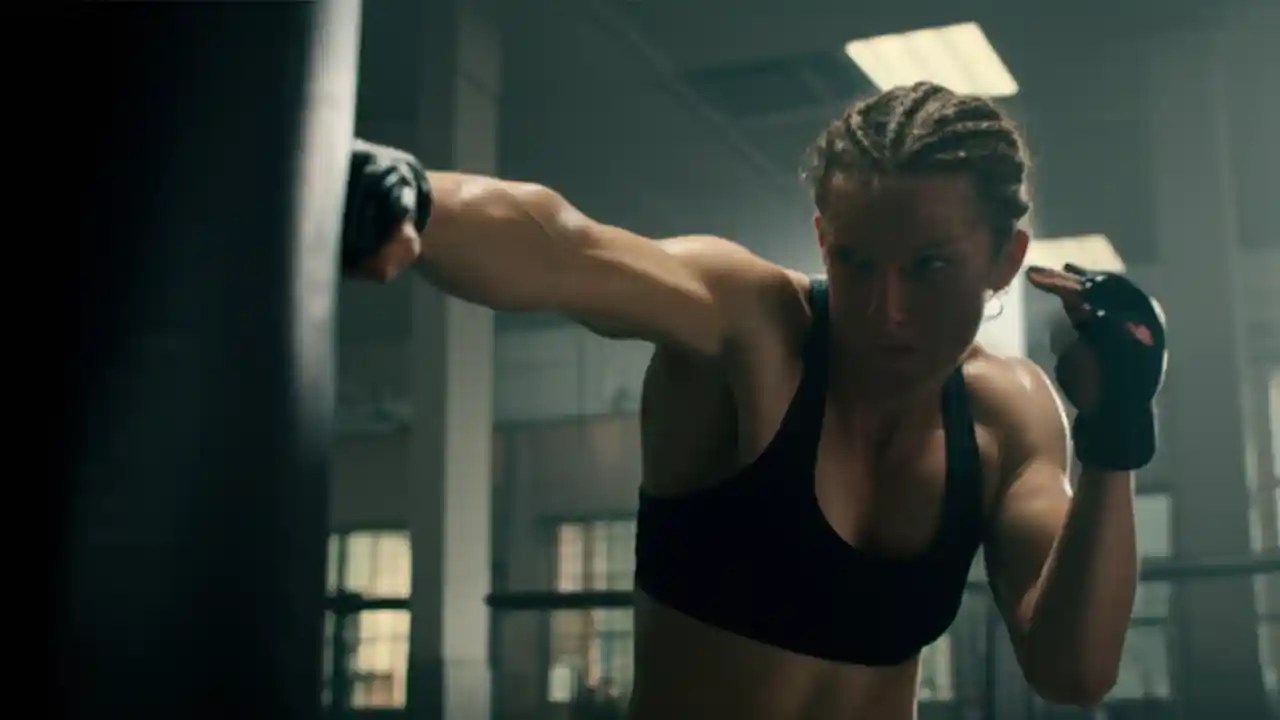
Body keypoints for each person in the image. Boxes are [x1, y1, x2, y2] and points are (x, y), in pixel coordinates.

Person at [342, 81, 1168, 719]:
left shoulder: (1008, 413)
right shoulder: (752, 328)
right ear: (821, 239)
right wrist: (419, 196)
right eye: (855, 261)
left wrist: (1115, 433)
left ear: (1006, 259)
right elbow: (568, 248)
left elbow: (1073, 671)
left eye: (929, 268)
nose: (885, 309)